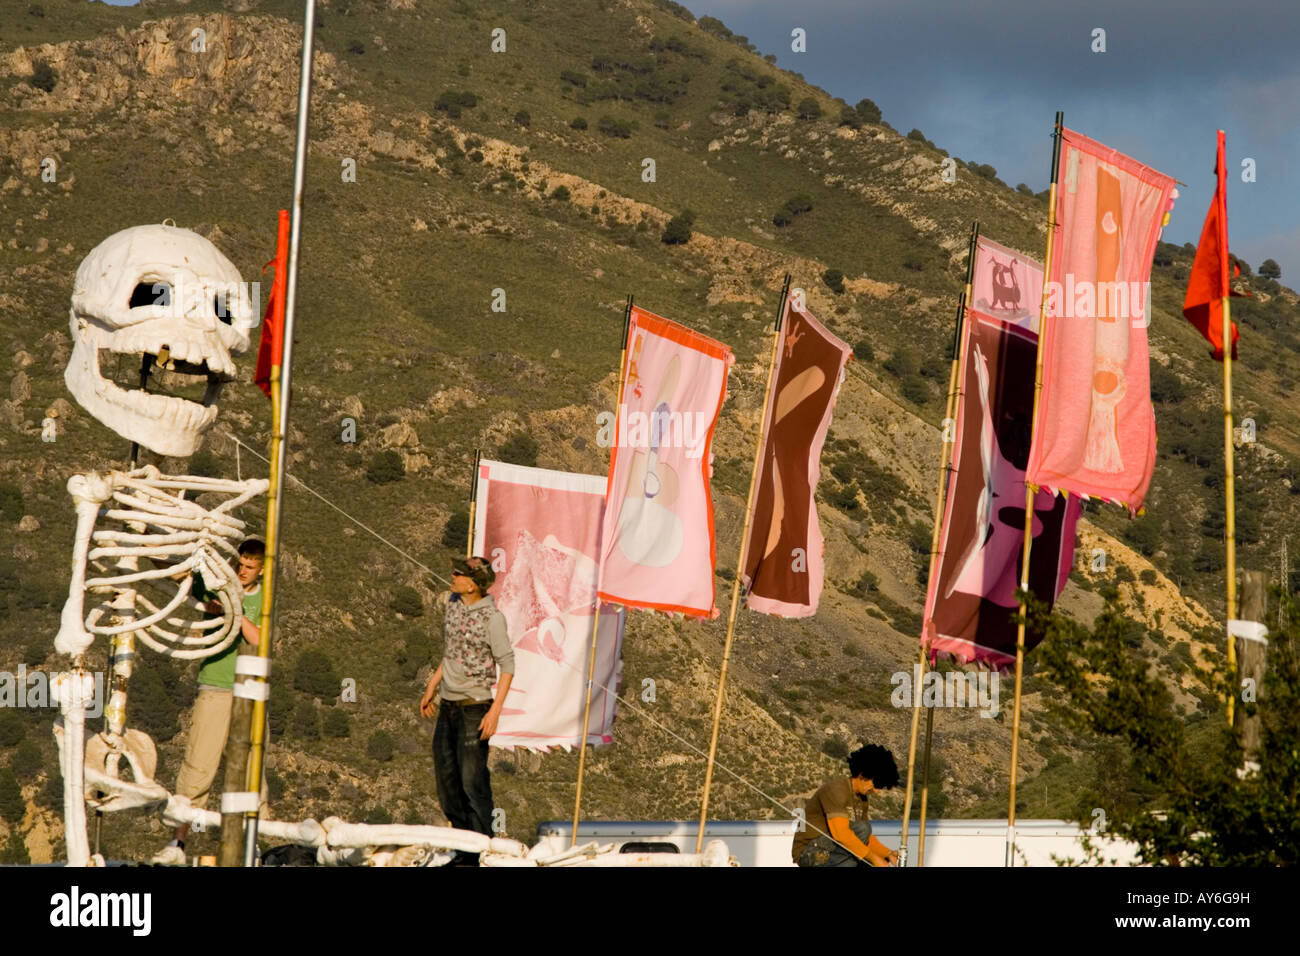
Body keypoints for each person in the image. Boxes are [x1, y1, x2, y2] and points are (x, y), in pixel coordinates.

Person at [152, 537, 268, 865]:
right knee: (198, 768)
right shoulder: (217, 586)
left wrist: (232, 607)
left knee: (252, 773)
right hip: (215, 687)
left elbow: (259, 638)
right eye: (240, 564)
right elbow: (175, 575)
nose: (243, 571)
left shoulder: (266, 597)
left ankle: (251, 845)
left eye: (249, 566)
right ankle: (178, 843)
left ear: (261, 570)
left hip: (251, 691)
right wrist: (153, 546)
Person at [419, 555, 514, 865]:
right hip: (448, 706)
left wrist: (495, 711)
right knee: (447, 780)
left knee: (472, 781)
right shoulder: (453, 605)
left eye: (459, 574)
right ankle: (463, 847)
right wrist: (433, 685)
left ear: (474, 584)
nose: (453, 576)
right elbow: (451, 653)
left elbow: (507, 664)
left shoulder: (492, 618)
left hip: (474, 707)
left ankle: (481, 848)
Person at [792, 743, 901, 867]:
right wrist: (874, 858)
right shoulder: (836, 790)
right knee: (863, 830)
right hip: (809, 852)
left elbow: (865, 839)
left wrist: (887, 853)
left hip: (832, 850)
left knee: (869, 852)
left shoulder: (862, 799)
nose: (876, 790)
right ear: (862, 775)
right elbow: (841, 834)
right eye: (876, 784)